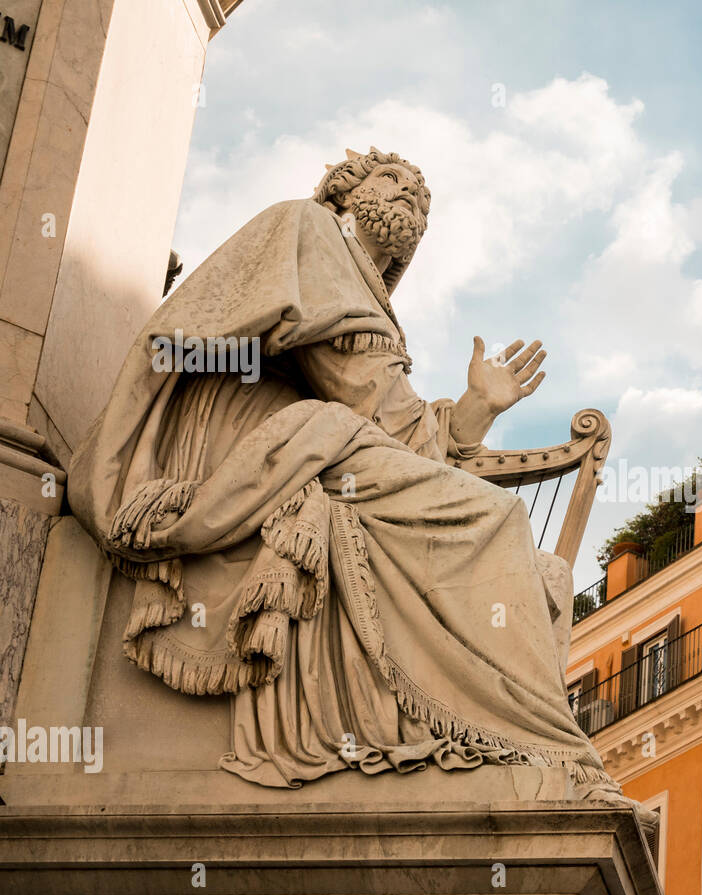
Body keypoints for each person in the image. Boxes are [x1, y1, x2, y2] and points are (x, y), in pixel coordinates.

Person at [69, 148, 641, 816]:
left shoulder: (349, 281)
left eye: (422, 200)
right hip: (243, 438)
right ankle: (539, 745)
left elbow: (387, 419)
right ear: (343, 192)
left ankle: (512, 735)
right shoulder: (311, 230)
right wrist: (455, 422)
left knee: (533, 563)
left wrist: (475, 409)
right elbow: (368, 398)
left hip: (301, 435)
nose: (410, 198)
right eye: (392, 181)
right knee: (495, 520)